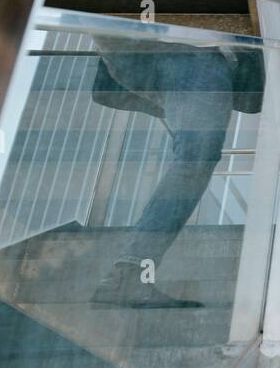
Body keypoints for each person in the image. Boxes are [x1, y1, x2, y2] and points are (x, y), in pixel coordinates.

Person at [86, 37, 265, 309]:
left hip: (197, 52)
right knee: (196, 155)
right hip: (192, 47)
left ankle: (131, 273)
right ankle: (129, 274)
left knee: (197, 155)